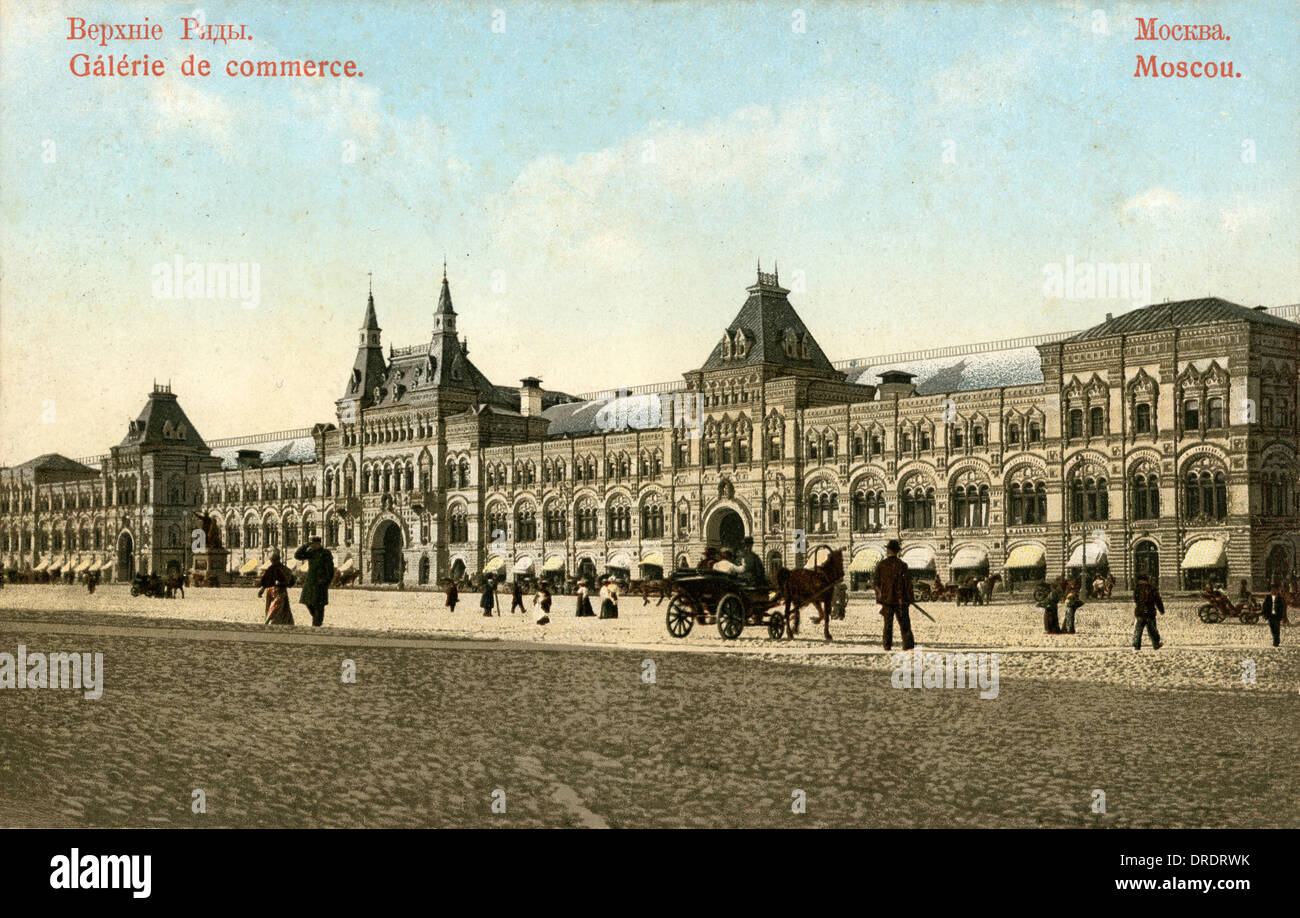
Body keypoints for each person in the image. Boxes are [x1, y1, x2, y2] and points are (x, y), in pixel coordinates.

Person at [872, 539, 915, 651]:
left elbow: (875, 583)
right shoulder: (902, 565)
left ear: (888, 551)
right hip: (901, 600)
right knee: (904, 624)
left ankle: (887, 645)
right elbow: (908, 584)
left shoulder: (881, 565)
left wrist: (880, 594)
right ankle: (908, 645)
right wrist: (910, 598)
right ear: (897, 552)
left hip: (887, 600)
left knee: (888, 625)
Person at [294, 536, 334, 627]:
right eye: (311, 544)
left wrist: (326, 582)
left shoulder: (326, 553)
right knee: (307, 602)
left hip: (320, 582)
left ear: (318, 544)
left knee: (319, 605)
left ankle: (316, 623)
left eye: (313, 544)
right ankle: (316, 619)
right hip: (310, 581)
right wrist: (305, 545)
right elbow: (297, 555)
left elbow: (330, 570)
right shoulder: (311, 552)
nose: (312, 545)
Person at [258, 550, 295, 625]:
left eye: (273, 560)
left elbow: (290, 581)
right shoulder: (275, 569)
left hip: (279, 591)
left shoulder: (282, 569)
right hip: (273, 591)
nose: (273, 562)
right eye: (272, 560)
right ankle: (271, 621)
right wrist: (262, 589)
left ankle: (268, 621)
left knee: (275, 607)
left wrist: (282, 583)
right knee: (274, 607)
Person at [1133, 573, 1164, 650]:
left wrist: (1140, 605)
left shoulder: (1137, 588)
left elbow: (1135, 599)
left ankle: (1137, 645)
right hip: (1150, 612)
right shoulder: (1152, 588)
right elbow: (1158, 600)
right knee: (1152, 630)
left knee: (1138, 629)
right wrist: (1161, 610)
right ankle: (1156, 644)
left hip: (1140, 612)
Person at [1262, 583, 1286, 648]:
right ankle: (1275, 640)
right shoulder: (1268, 598)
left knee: (1277, 629)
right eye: (1272, 590)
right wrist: (1265, 614)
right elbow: (1264, 607)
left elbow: (1282, 608)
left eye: (1275, 590)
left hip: (1277, 616)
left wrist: (1282, 616)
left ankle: (1276, 641)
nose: (1273, 591)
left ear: (1277, 591)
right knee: (1272, 629)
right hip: (1270, 616)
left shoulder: (1280, 598)